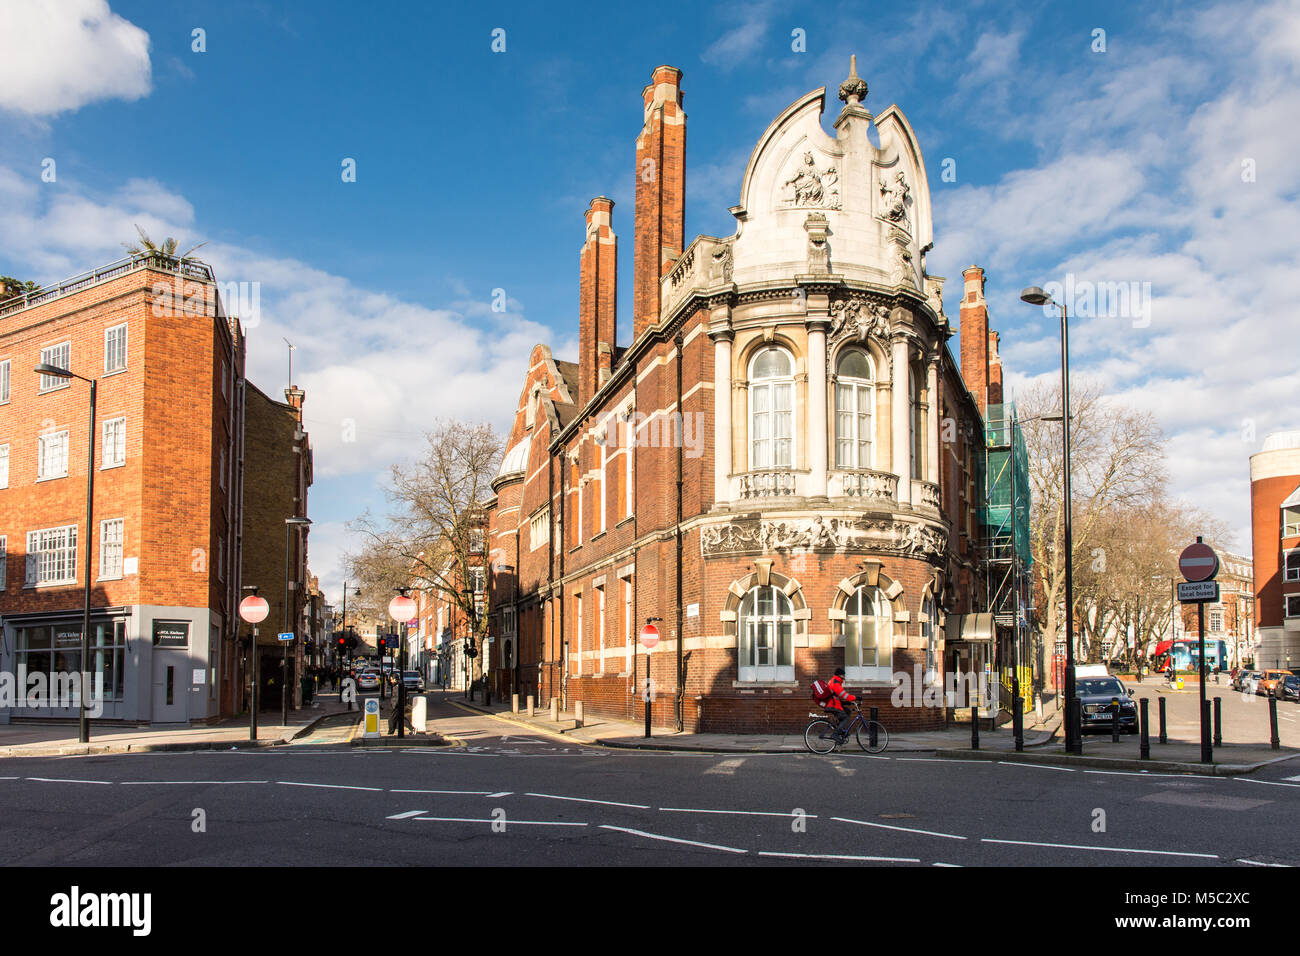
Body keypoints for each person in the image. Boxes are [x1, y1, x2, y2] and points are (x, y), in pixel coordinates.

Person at [823, 667, 857, 739]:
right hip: (832, 705)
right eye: (843, 675)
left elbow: (836, 696)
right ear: (840, 675)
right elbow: (845, 695)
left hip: (833, 704)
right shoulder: (835, 683)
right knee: (845, 717)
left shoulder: (834, 681)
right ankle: (835, 734)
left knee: (847, 711)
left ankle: (840, 730)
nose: (844, 677)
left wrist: (846, 703)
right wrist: (856, 698)